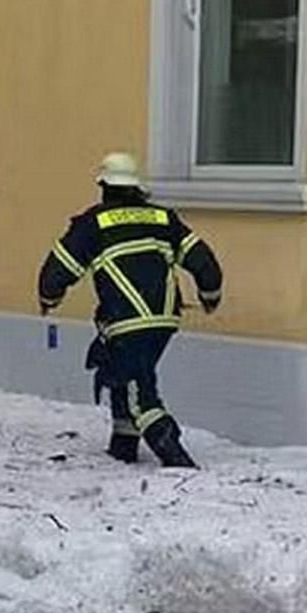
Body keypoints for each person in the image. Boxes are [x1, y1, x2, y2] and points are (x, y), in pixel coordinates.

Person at [37, 152, 223, 468]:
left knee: (140, 391)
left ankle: (173, 452)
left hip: (125, 320)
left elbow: (57, 270)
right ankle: (123, 445)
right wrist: (210, 295)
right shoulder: (164, 219)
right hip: (164, 318)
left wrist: (49, 299)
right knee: (125, 373)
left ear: (104, 185)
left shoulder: (93, 224)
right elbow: (204, 262)